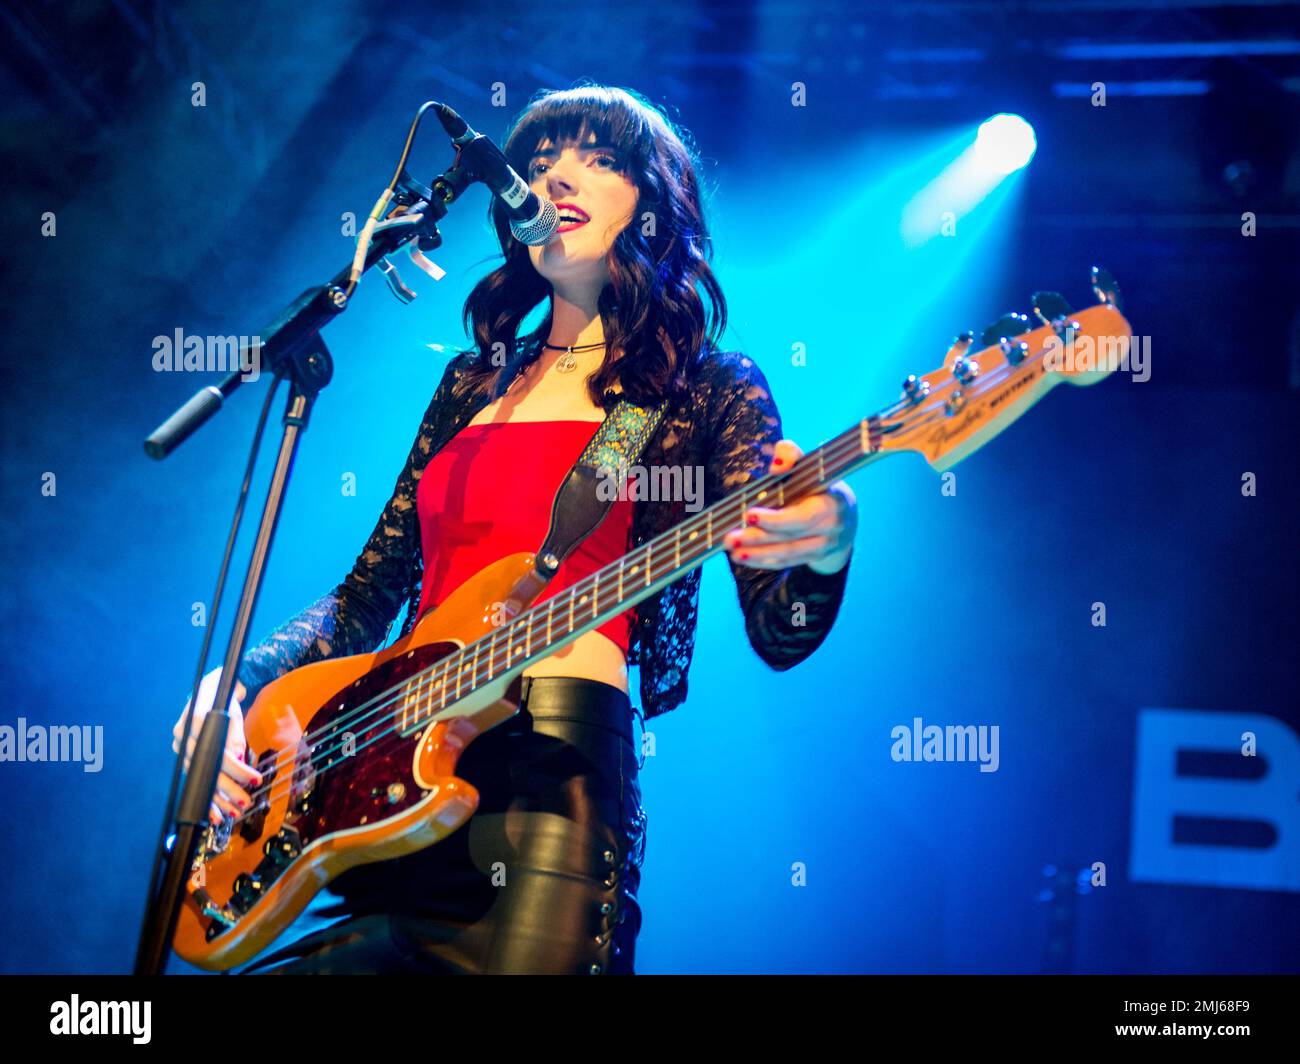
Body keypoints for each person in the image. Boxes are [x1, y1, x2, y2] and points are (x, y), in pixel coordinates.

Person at [171, 83, 857, 975]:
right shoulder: (469, 384)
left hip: (548, 786)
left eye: (600, 159)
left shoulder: (697, 388)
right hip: (385, 777)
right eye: (539, 163)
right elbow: (362, 598)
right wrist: (231, 691)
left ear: (656, 206)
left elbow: (781, 628)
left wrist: (826, 542)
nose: (559, 175)